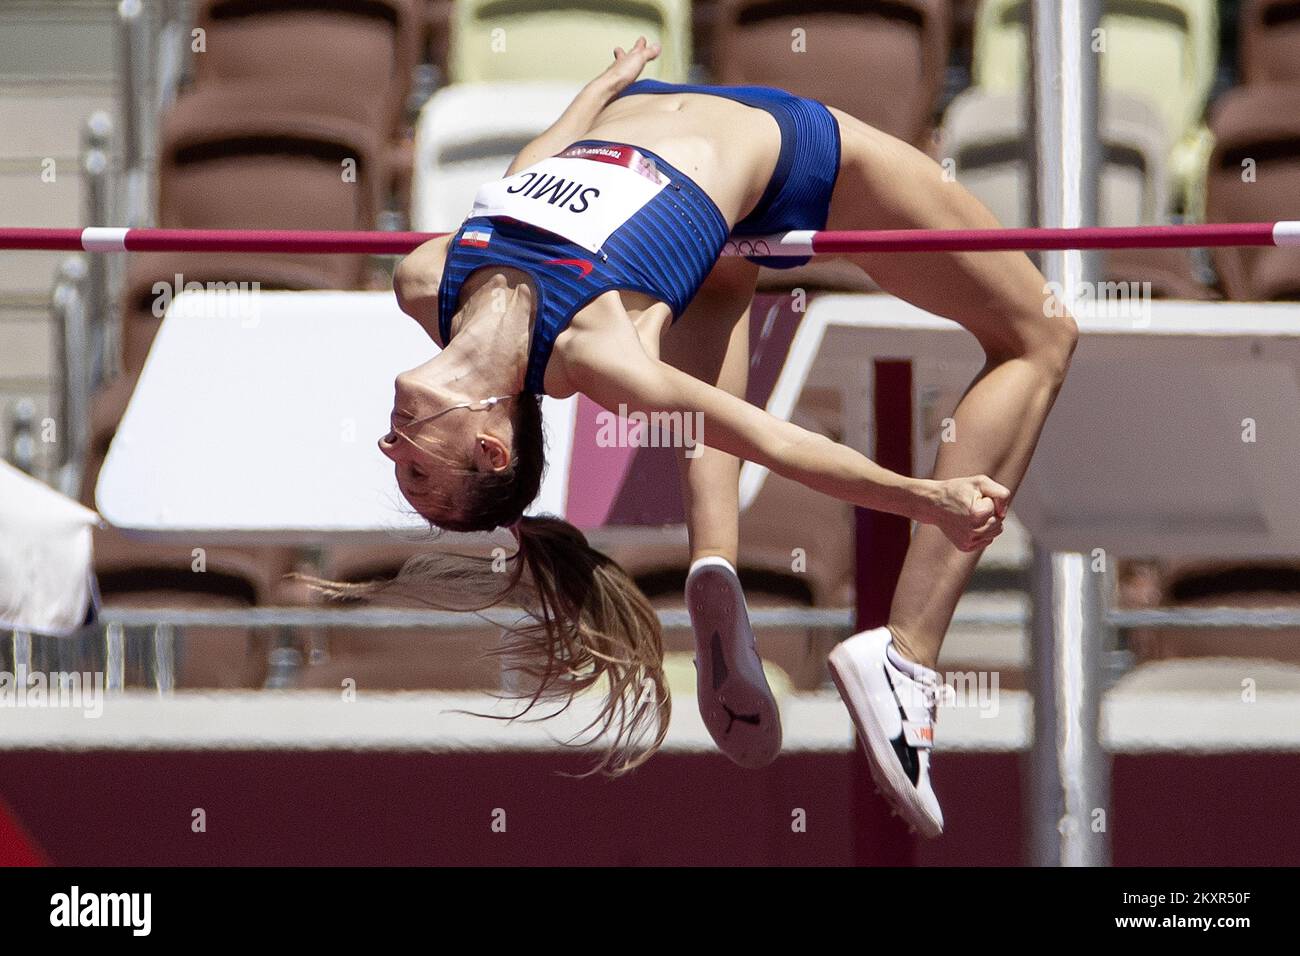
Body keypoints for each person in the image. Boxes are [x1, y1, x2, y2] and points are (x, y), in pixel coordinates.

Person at [371, 39, 1077, 833]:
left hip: (640, 116)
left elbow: (531, 166)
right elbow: (771, 439)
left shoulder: (428, 280)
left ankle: (716, 557)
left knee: (715, 279)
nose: (391, 448)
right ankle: (906, 655)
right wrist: (925, 497)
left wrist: (598, 87)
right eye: (418, 471)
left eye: (397, 464)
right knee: (1041, 335)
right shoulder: (596, 351)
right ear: (492, 444)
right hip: (787, 151)